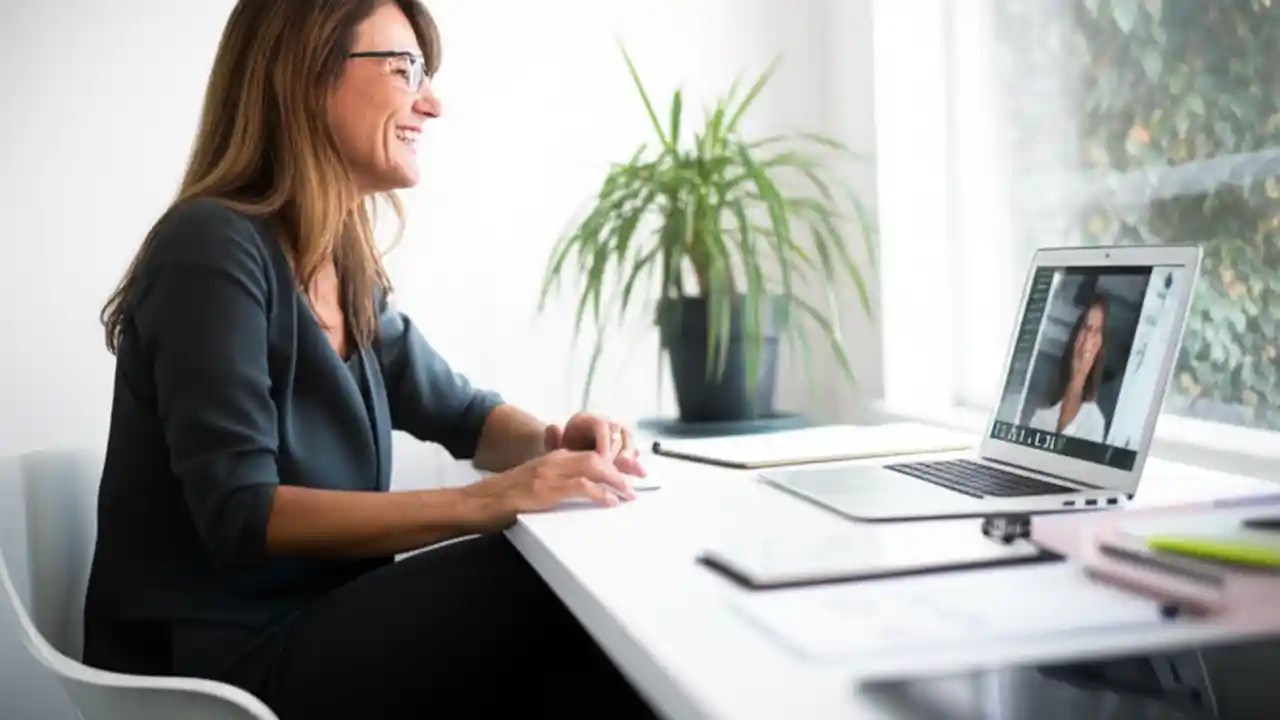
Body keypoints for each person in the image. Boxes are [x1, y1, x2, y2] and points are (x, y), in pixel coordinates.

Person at [82, 1, 656, 717]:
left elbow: (464, 415)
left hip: (322, 621)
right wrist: (489, 501)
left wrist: (553, 444)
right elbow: (242, 512)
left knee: (567, 591)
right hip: (223, 661)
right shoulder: (211, 247)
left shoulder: (342, 265)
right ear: (307, 76)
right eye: (403, 68)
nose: (431, 101)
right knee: (543, 592)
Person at [1027, 294, 1110, 442]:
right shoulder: (1041, 413)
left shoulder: (1094, 422)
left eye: (1096, 332)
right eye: (1086, 328)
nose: (1088, 341)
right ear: (1075, 336)